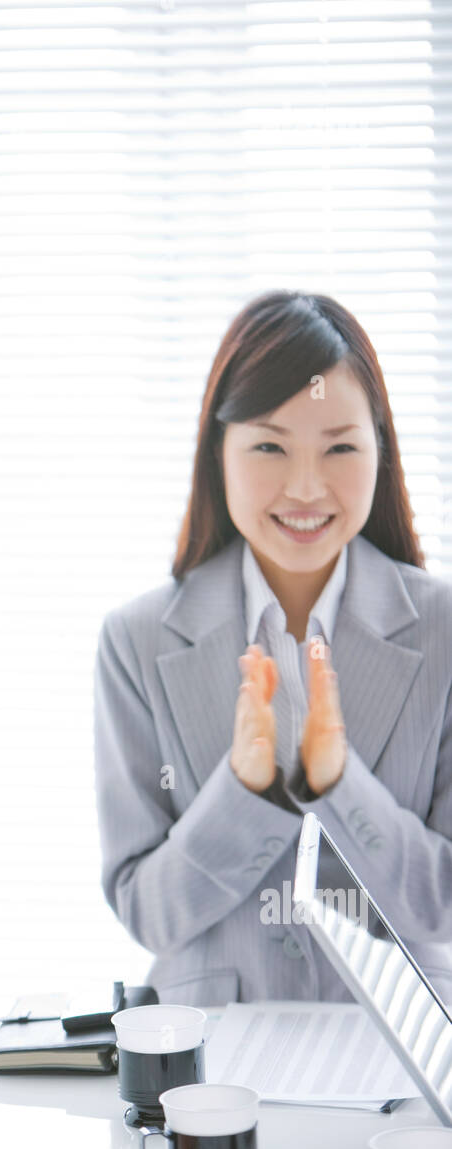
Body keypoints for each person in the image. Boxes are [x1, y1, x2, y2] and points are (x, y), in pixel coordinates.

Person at [94, 290, 452, 1007]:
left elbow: (442, 905)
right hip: (213, 1049)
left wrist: (339, 785)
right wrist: (244, 792)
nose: (306, 487)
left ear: (380, 451)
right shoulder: (135, 641)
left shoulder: (443, 631)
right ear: (217, 453)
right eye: (269, 446)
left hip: (395, 1047)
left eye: (340, 447)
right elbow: (146, 911)